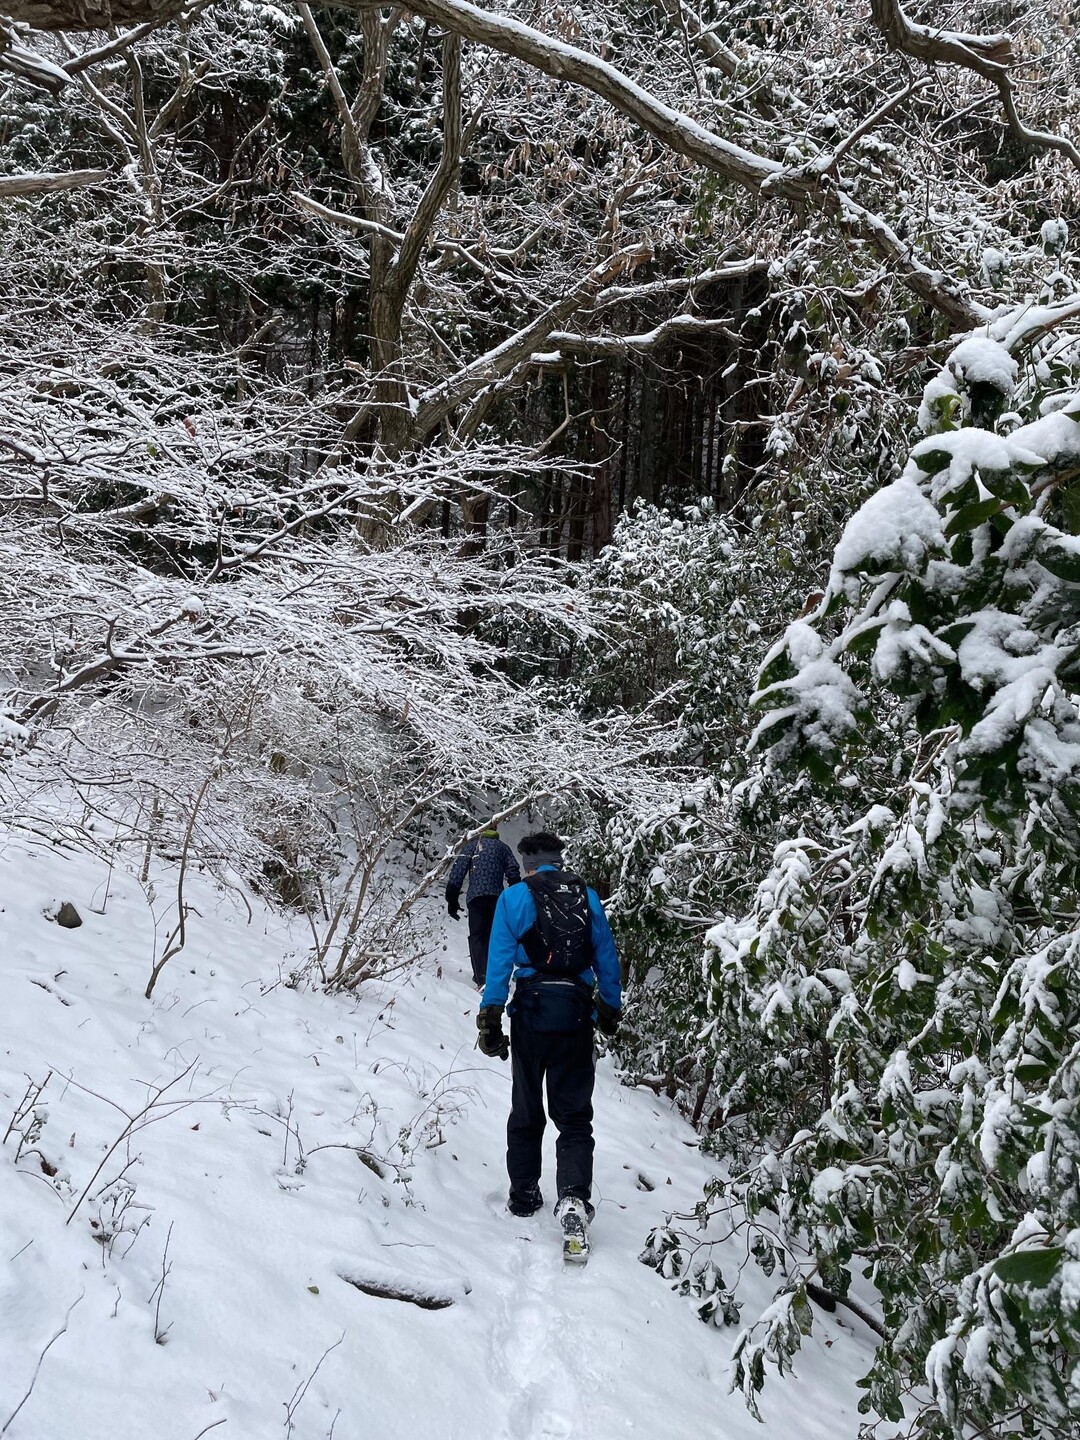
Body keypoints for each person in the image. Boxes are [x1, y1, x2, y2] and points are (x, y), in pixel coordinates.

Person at [476, 832, 622, 1253]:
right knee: (574, 1116)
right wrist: (609, 1008)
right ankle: (574, 1196)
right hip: (576, 1014)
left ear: (527, 863)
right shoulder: (588, 897)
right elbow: (606, 956)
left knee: (526, 1108)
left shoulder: (515, 898)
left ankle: (524, 1196)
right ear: (559, 859)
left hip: (531, 1014)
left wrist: (490, 1018)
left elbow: (499, 961)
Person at [445, 822, 521, 988]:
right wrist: (515, 894)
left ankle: (481, 977)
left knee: (477, 936)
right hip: (497, 898)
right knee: (496, 936)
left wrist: (452, 899)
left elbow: (458, 871)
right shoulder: (503, 848)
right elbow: (513, 871)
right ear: (495, 830)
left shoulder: (472, 846)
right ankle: (496, 977)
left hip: (475, 898)